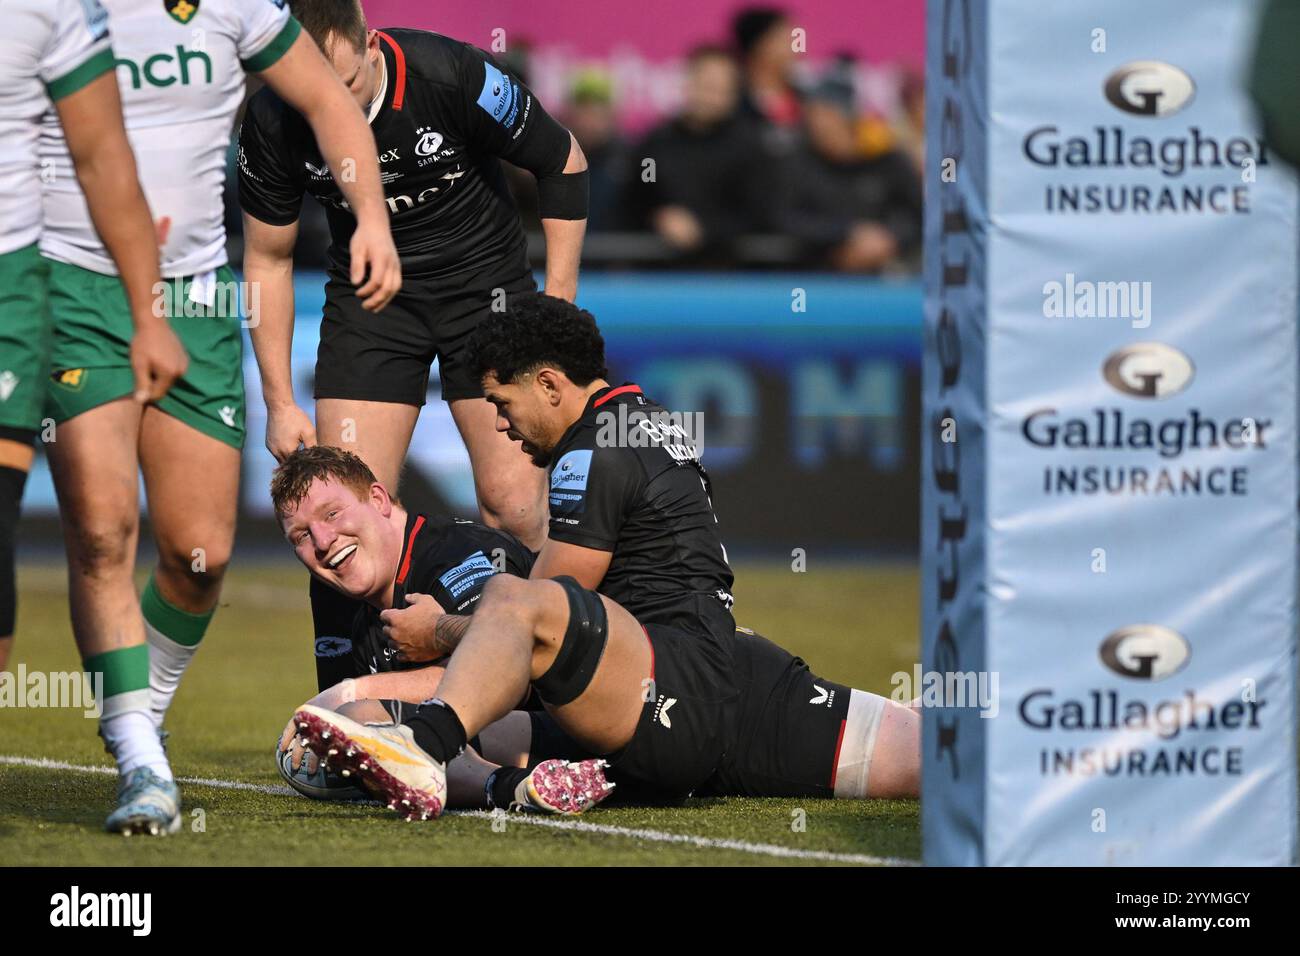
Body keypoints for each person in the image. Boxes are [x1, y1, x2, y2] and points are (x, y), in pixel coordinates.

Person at [293, 294, 919, 818]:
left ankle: (422, 746)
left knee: (517, 597)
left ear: (548, 384)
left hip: (662, 685)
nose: (505, 428)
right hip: (727, 671)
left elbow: (540, 615)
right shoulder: (643, 417)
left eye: (504, 405)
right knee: (936, 756)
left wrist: (440, 629)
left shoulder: (587, 453)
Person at [37, 0, 399, 836]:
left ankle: (142, 713)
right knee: (101, 533)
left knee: (202, 556)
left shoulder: (237, 8)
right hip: (77, 295)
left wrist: (371, 219)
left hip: (196, 300)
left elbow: (331, 101)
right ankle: (139, 758)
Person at [237, 0, 590, 695]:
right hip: (373, 307)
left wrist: (557, 306)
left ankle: (549, 694)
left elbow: (566, 162)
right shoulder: (275, 117)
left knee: (516, 507)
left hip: (486, 298)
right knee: (337, 510)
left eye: (339, 86)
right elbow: (267, 261)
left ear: (370, 44)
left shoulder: (448, 74)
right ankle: (347, 709)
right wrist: (278, 400)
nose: (324, 107)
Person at [271, 445, 613, 815]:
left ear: (378, 499)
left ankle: (507, 783)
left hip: (571, 727)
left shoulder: (463, 555)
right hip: (476, 742)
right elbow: (348, 719)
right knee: (354, 726)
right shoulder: (329, 589)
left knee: (364, 719)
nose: (323, 542)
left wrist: (348, 695)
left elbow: (501, 671)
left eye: (333, 514)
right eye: (301, 537)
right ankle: (517, 788)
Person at [1, 0, 185, 676]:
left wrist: (148, 314)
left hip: (11, 284)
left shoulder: (53, 9)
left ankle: (137, 730)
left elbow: (103, 156)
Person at [625, 46, 766, 264]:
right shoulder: (654, 147)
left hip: (729, 275)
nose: (712, 97)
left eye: (723, 90)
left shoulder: (750, 149)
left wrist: (704, 229)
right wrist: (659, 216)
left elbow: (758, 214)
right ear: (688, 83)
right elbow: (635, 200)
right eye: (706, 85)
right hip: (661, 275)